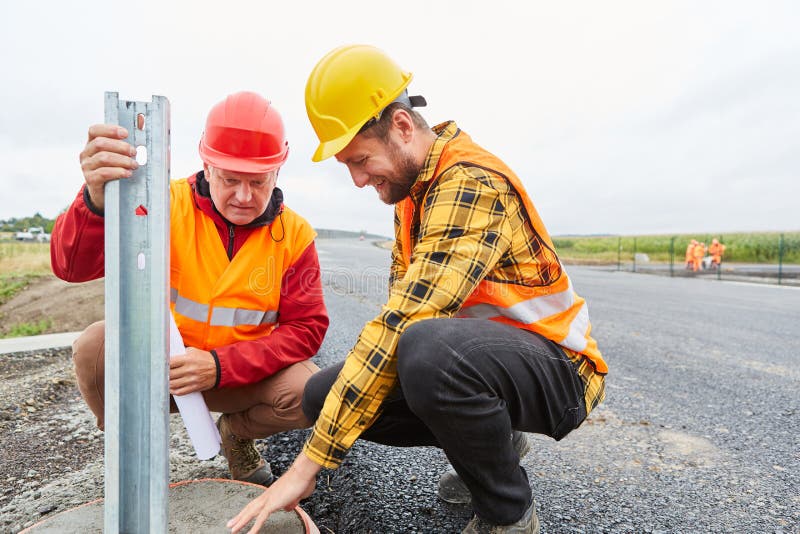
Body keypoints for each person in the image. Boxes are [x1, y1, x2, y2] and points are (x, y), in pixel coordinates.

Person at [228, 45, 608, 534]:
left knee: (424, 349)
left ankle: (508, 518)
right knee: (326, 392)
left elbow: (406, 323)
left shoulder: (471, 182)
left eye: (361, 160)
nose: (358, 179)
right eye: (348, 166)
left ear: (402, 127)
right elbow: (396, 322)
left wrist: (309, 464)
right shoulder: (411, 198)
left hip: (559, 368)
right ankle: (496, 440)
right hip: (491, 367)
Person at [50, 91, 328, 485]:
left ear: (277, 172)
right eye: (231, 179)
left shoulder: (294, 236)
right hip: (156, 371)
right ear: (207, 166)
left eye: (258, 181)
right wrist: (95, 200)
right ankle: (130, 444)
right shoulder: (160, 203)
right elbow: (71, 267)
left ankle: (237, 434)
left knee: (310, 391)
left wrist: (218, 367)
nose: (244, 197)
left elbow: (306, 329)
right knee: (94, 347)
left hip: (235, 378)